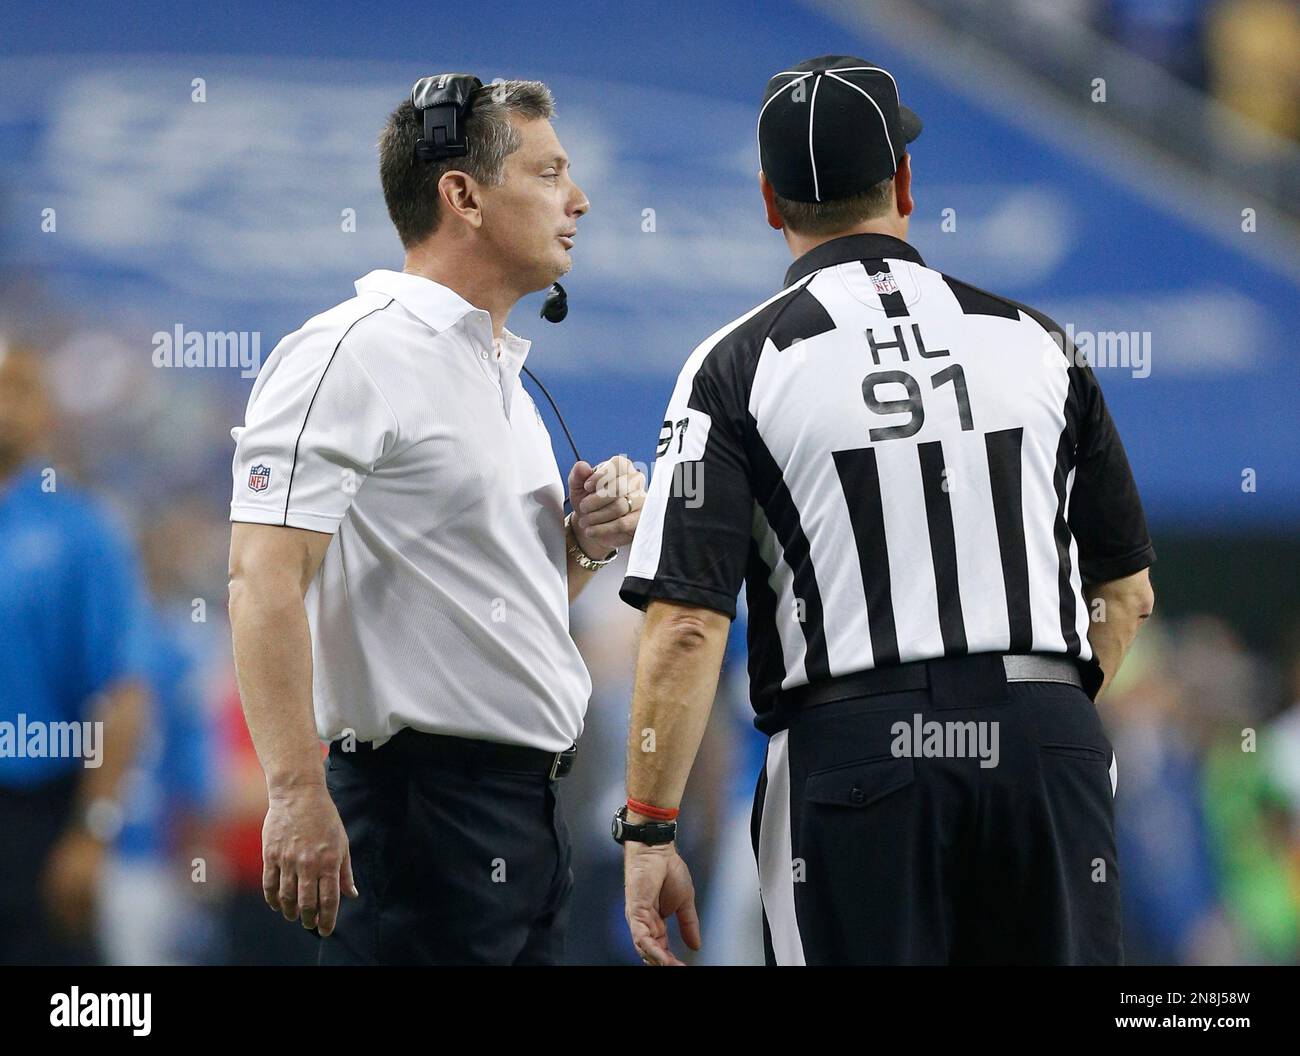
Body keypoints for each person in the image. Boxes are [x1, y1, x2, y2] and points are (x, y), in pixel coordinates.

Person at [614, 55, 1155, 966]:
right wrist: (1039, 722)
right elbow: (1127, 592)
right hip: (1043, 743)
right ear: (904, 182)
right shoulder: (1036, 341)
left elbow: (685, 628)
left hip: (858, 755)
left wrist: (648, 829)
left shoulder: (736, 366)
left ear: (769, 202)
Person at [227, 74, 645, 965]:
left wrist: (583, 546)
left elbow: (496, 604)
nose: (579, 199)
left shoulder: (505, 375)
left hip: (530, 810)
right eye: (549, 174)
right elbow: (260, 576)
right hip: (419, 809)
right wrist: (297, 790)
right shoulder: (351, 350)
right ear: (462, 195)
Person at [0, 343, 150, 965]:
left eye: (17, 388)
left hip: (36, 812)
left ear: (44, 412)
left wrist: (92, 834)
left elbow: (121, 695)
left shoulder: (80, 531)